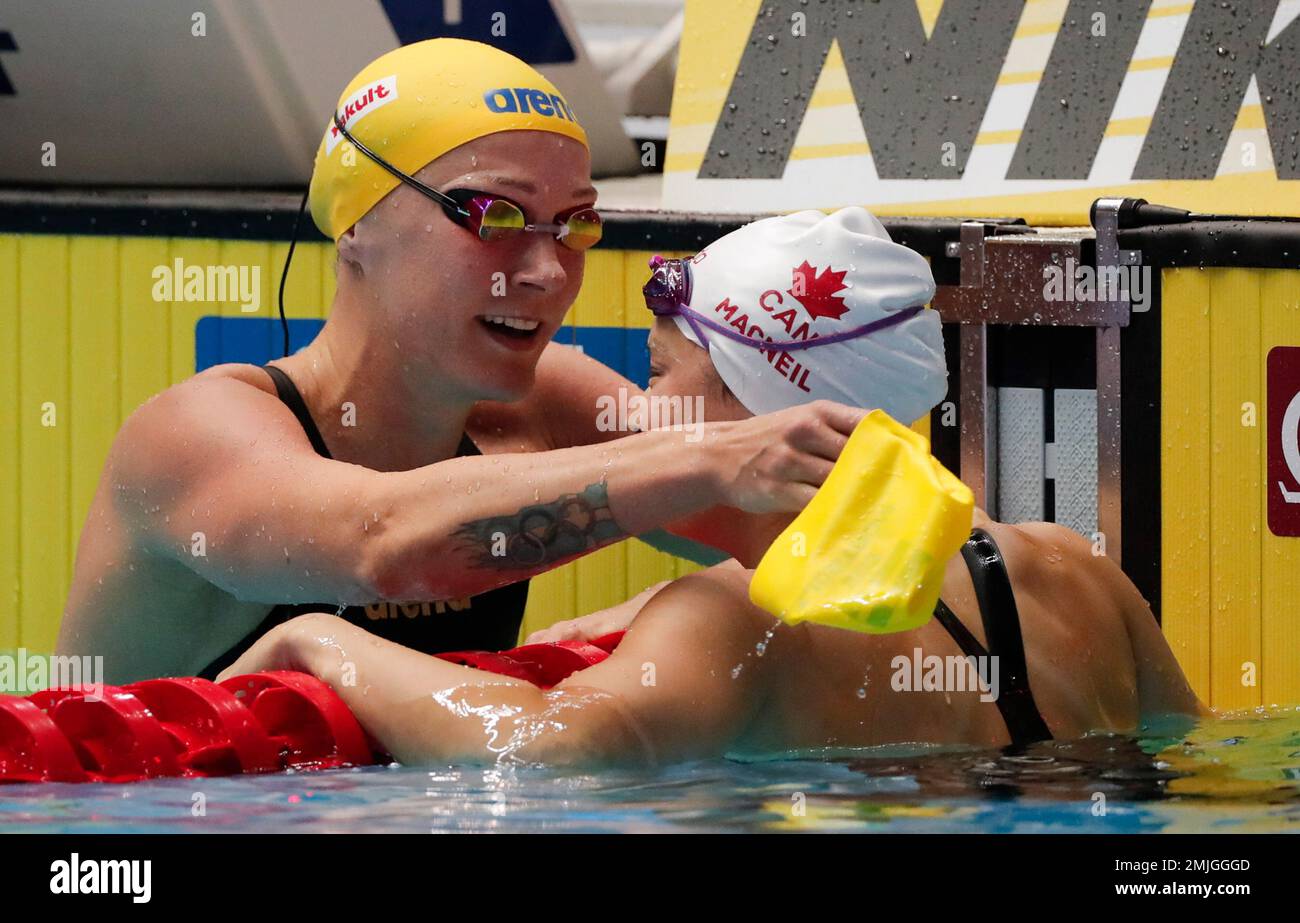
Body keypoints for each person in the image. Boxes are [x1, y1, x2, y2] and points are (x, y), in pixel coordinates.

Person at [217, 207, 1207, 766]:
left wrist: (323, 638)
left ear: (760, 402)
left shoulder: (739, 621)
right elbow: (1178, 759)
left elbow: (551, 755)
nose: (641, 416)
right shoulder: (1071, 571)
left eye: (660, 378)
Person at [56, 39, 868, 683]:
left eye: (574, 224)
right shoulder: (192, 433)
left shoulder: (550, 402)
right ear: (355, 223)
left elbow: (819, 537)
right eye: (494, 214)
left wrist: (680, 604)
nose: (548, 272)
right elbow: (386, 546)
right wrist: (709, 452)